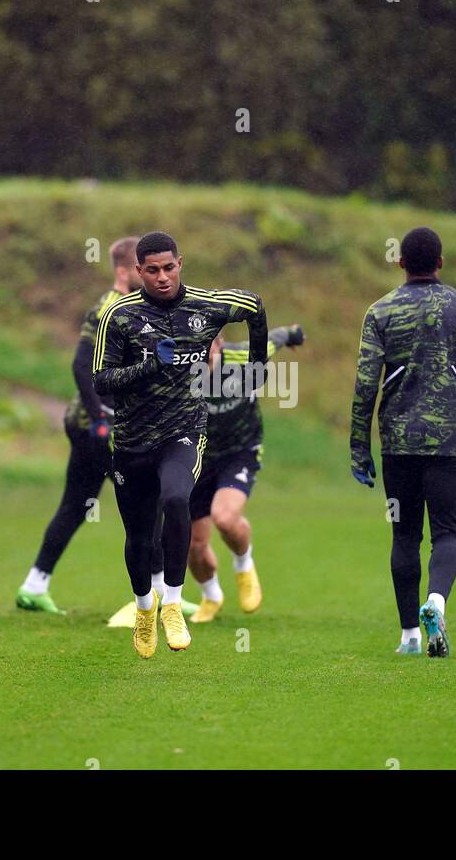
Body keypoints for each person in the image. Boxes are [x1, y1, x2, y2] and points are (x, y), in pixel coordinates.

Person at [92, 231, 268, 658]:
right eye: (152, 270)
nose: (163, 277)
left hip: (183, 432)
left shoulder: (207, 305)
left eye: (169, 267)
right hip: (132, 440)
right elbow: (102, 382)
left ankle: (172, 601)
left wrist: (259, 366)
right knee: (138, 536)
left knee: (176, 498)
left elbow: (255, 306)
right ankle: (143, 608)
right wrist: (151, 365)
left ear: (180, 263)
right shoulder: (119, 315)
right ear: (139, 272)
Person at [350, 226, 456, 657]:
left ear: (400, 263)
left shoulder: (380, 311)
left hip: (397, 446)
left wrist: (359, 447)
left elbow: (364, 386)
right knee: (448, 533)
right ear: (441, 262)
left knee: (403, 535)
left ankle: (409, 636)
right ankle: (436, 601)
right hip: (450, 443)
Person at [16, 237, 142, 615]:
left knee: (77, 505)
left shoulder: (133, 309)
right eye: (142, 267)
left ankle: (34, 585)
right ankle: (156, 597)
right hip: (99, 428)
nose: (148, 274)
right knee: (144, 505)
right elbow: (80, 364)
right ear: (123, 271)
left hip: (94, 425)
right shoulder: (110, 307)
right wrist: (101, 415)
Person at [185, 323, 304, 621]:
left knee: (224, 518)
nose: (199, 355)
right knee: (192, 545)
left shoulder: (243, 359)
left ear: (219, 345)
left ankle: (244, 565)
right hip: (197, 457)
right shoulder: (179, 374)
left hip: (239, 452)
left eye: (206, 347)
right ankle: (211, 595)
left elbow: (274, 339)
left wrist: (292, 333)